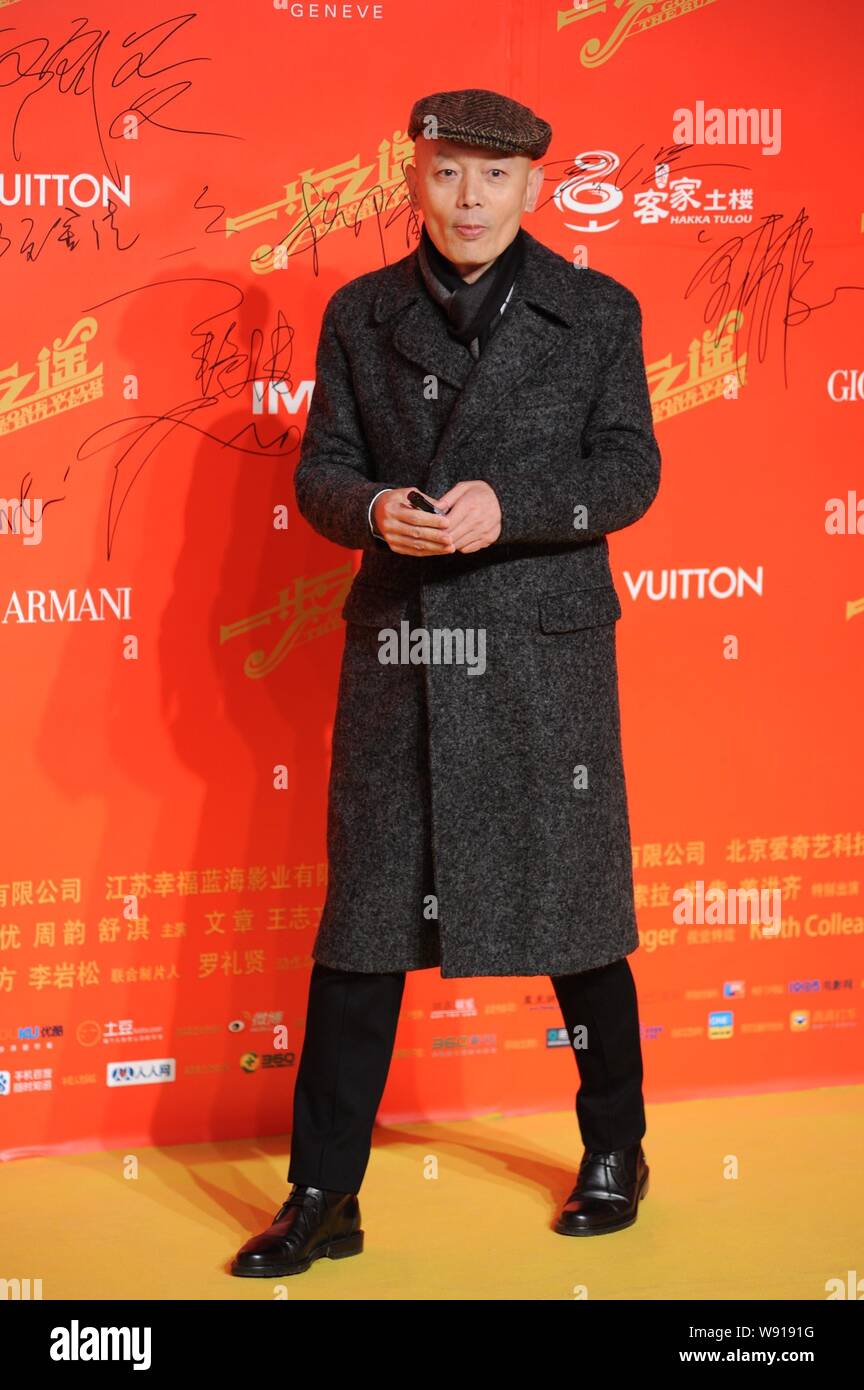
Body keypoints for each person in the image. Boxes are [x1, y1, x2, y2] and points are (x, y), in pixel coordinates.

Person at [232, 88, 661, 1279]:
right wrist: (373, 509)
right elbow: (322, 474)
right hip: (404, 653)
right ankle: (323, 1191)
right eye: (447, 174)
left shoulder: (599, 311)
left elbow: (631, 473)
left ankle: (616, 1148)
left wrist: (511, 511)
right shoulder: (360, 314)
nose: (470, 199)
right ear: (412, 181)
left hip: (541, 655)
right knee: (363, 928)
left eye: (495, 177)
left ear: (537, 188)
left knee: (580, 923)